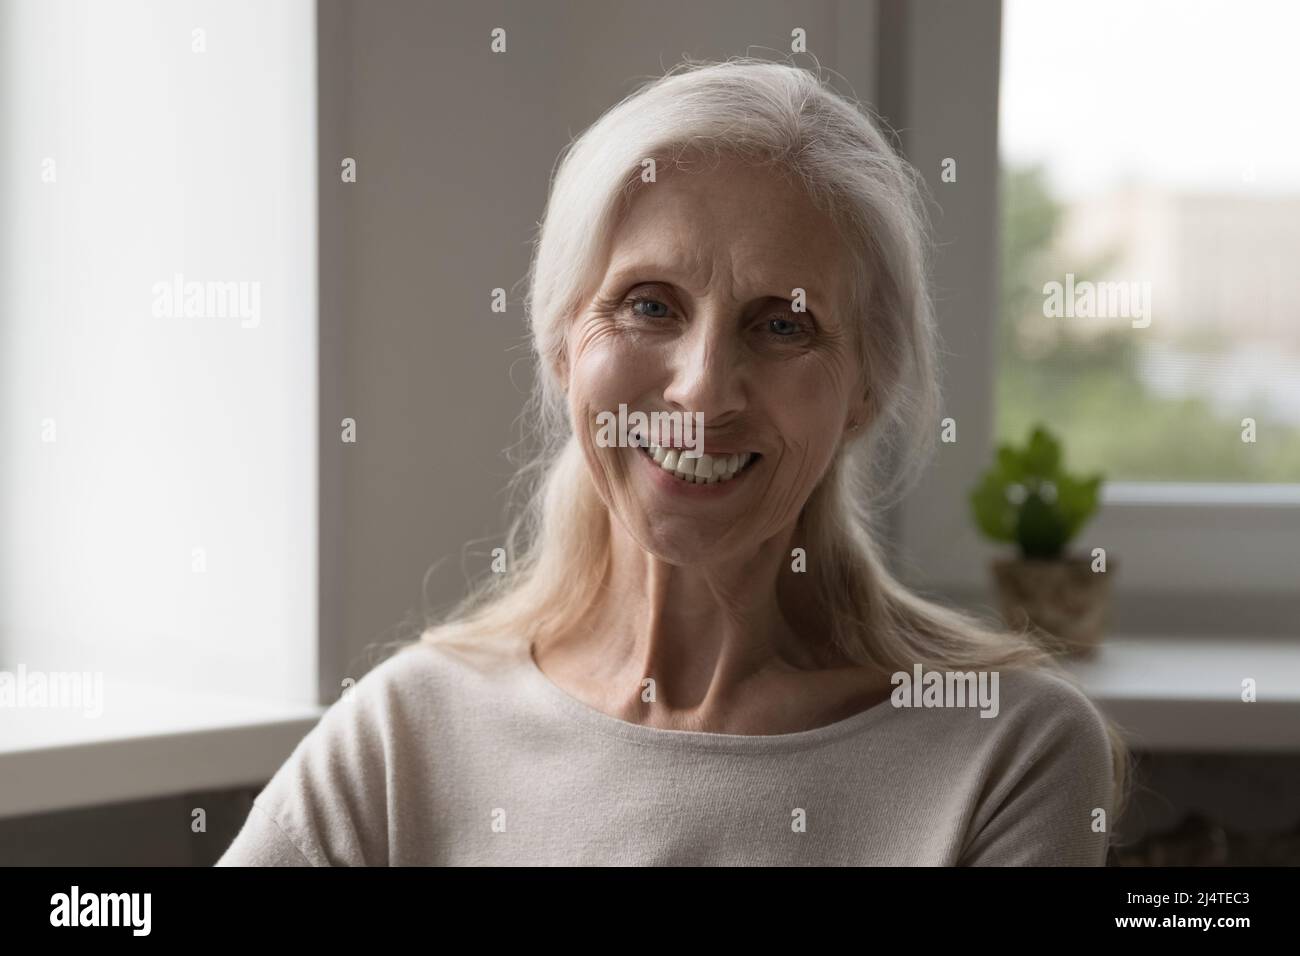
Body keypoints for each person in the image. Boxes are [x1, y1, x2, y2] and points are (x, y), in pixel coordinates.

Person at [218, 58, 1126, 867]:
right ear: (564, 345)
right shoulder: (405, 736)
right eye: (649, 307)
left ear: (863, 393)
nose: (701, 393)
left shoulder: (1007, 751)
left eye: (782, 325)